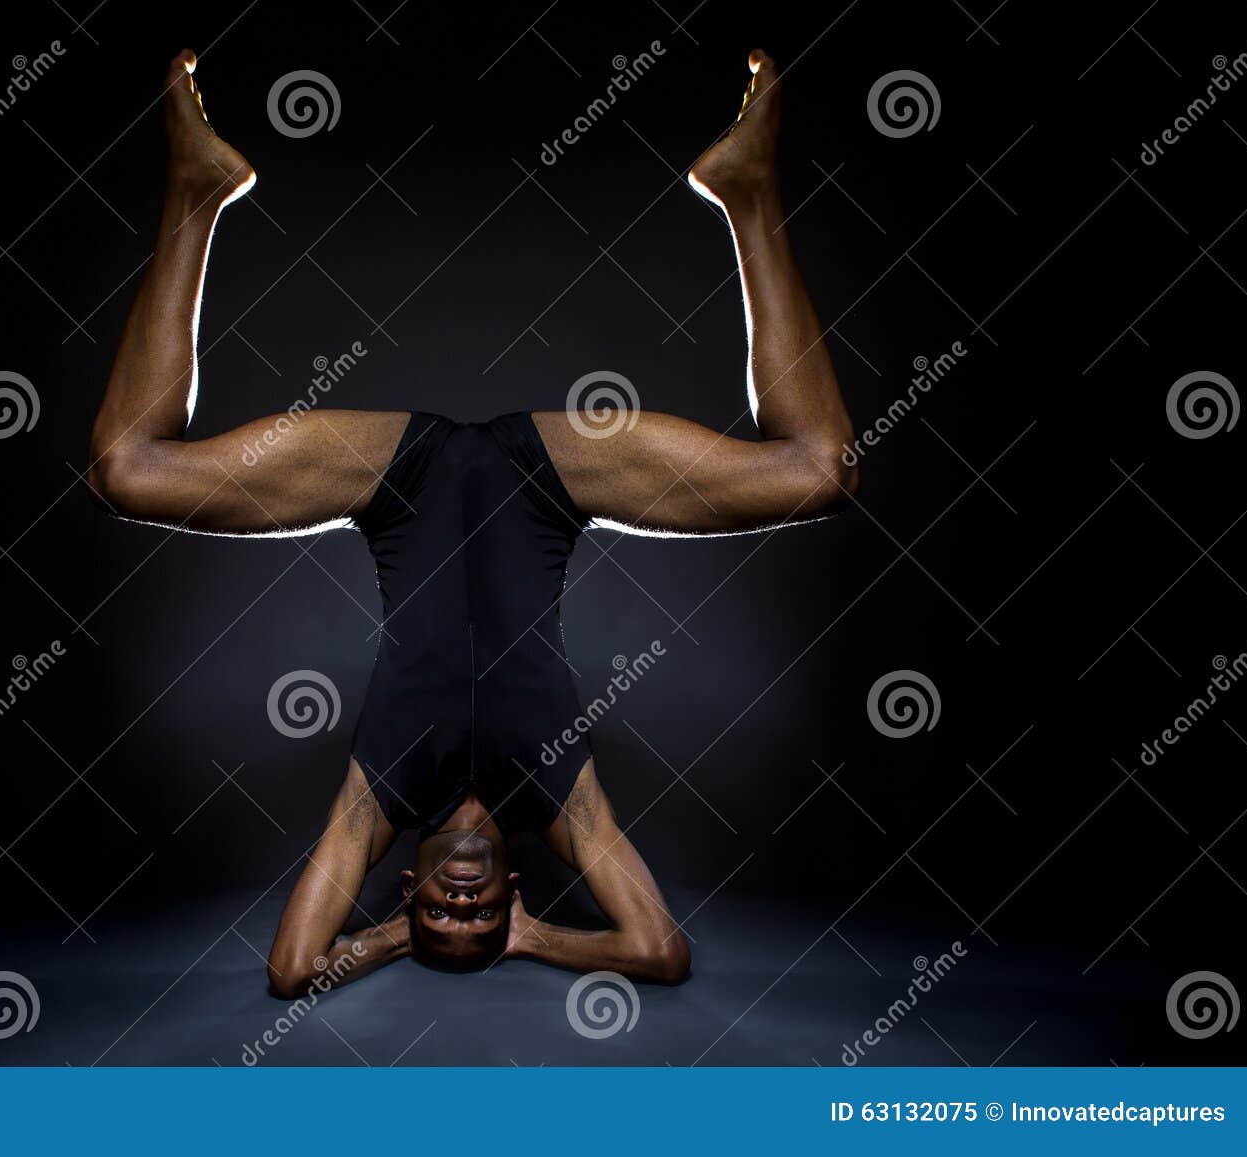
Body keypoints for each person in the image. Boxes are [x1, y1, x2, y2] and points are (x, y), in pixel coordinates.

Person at [87, 47, 856, 999]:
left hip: (397, 482)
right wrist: (536, 941)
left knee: (127, 467)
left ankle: (197, 196)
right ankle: (747, 196)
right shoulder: (560, 802)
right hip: (545, 482)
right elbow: (660, 950)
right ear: (512, 894)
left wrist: (382, 946)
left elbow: (292, 970)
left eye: (437, 918)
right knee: (821, 469)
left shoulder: (380, 797)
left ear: (405, 889)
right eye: (479, 922)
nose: (461, 906)